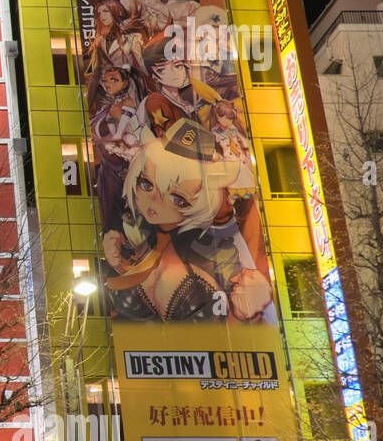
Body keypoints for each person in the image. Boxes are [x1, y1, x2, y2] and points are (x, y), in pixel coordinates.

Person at [102, 120, 271, 323]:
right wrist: (116, 263)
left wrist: (253, 300)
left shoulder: (209, 243)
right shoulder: (134, 227)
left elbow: (243, 289)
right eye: (146, 184)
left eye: (177, 198)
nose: (154, 202)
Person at [87, 63, 146, 231]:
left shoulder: (128, 103)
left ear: (125, 83)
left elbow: (120, 135)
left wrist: (99, 141)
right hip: (116, 159)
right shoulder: (110, 107)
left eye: (113, 80)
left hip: (130, 155)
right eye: (105, 80)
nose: (107, 84)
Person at [84, 0, 145, 79]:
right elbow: (98, 67)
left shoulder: (133, 37)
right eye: (99, 13)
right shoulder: (101, 39)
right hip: (109, 82)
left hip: (129, 80)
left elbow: (142, 64)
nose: (102, 16)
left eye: (106, 11)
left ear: (116, 11)